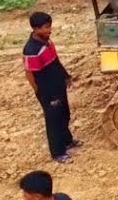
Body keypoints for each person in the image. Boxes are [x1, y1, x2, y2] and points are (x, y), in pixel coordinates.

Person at [23, 12, 79, 164]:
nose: (50, 30)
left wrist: (65, 76)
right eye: (46, 28)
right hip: (47, 90)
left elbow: (55, 61)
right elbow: (30, 74)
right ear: (36, 29)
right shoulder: (31, 50)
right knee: (53, 120)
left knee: (64, 114)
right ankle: (58, 152)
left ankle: (67, 141)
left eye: (49, 26)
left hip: (58, 85)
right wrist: (40, 92)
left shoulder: (47, 41)